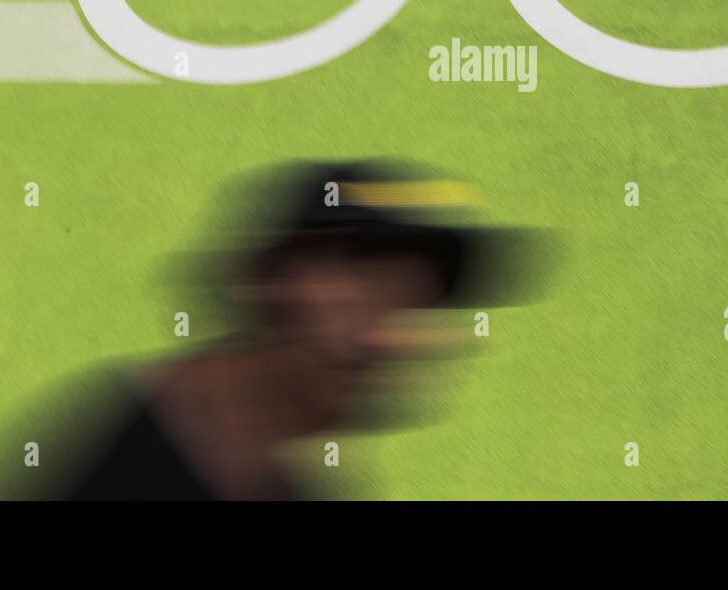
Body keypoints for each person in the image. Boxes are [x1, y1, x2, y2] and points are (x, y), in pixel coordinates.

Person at [56, 161, 526, 500]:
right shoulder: (131, 458)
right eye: (373, 299)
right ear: (271, 285)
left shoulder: (282, 479)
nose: (404, 341)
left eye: (422, 305)